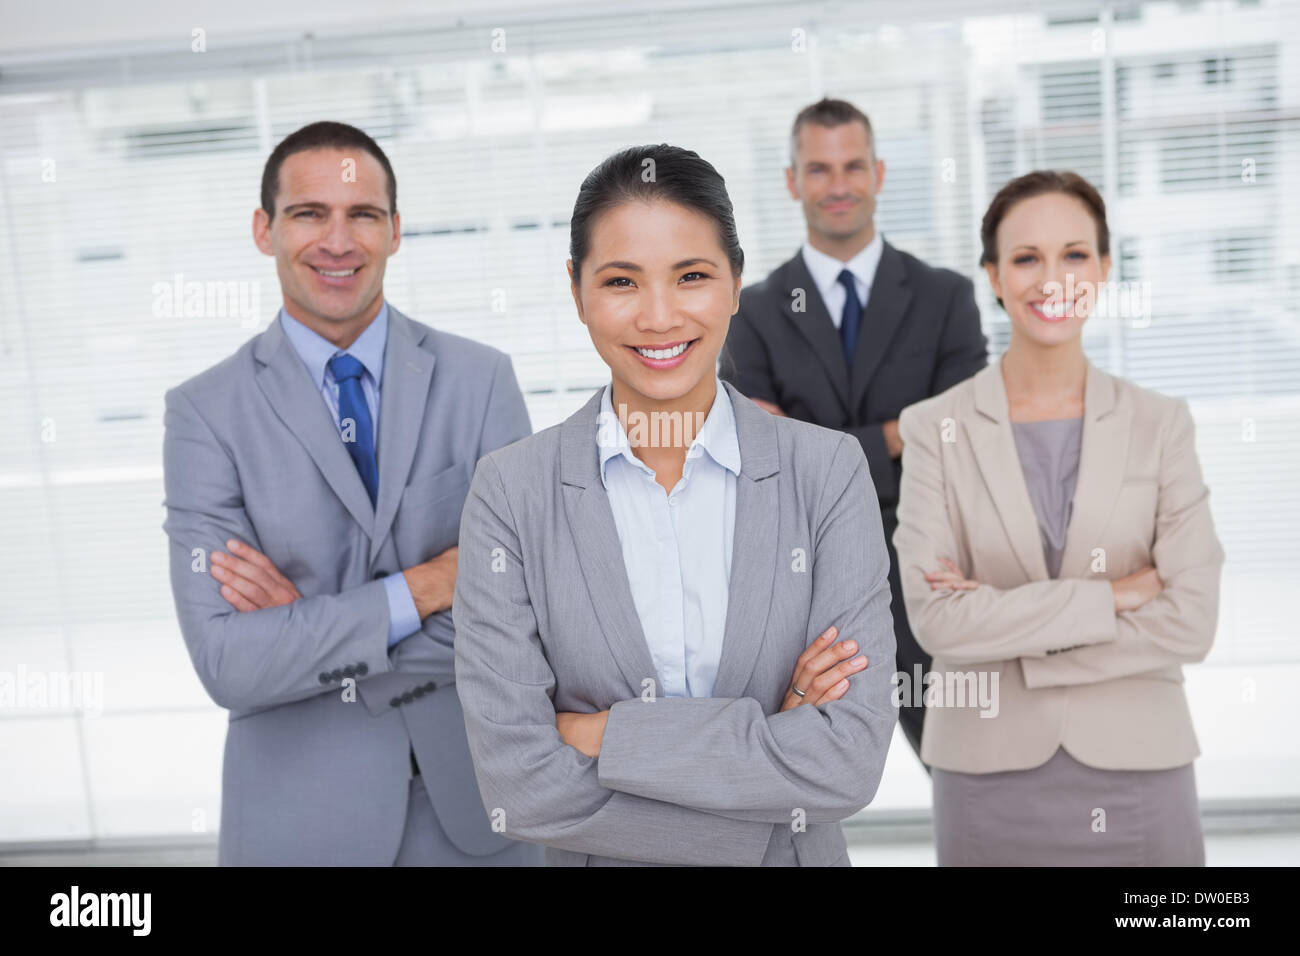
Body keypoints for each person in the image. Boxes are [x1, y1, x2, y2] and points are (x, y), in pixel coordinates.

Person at [452, 144, 898, 866]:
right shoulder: (511, 492)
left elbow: (846, 763)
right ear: (576, 290)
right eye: (621, 281)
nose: (659, 317)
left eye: (691, 276)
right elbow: (521, 788)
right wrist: (767, 760)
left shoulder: (826, 471)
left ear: (735, 283)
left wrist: (603, 736)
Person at [161, 121, 541, 866]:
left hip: (478, 811)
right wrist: (429, 584)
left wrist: (301, 628)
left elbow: (525, 617)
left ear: (395, 232)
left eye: (362, 215)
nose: (338, 241)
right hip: (298, 822)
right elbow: (227, 661)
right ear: (264, 230)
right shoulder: (204, 413)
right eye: (309, 214)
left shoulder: (480, 380)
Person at [892, 169, 1225, 865]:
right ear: (993, 276)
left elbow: (1191, 619)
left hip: (1141, 764)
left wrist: (1012, 631)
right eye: (1025, 258)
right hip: (985, 772)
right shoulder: (935, 428)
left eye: (1075, 254)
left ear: (1104, 268)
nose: (1053, 279)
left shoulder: (1160, 424)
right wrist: (1117, 596)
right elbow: (936, 620)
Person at [720, 98, 987, 766]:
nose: (837, 186)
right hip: (800, 582)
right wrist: (897, 434)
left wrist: (817, 443)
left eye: (852, 166)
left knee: (962, 767)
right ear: (791, 181)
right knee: (793, 775)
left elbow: (962, 437)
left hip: (929, 567)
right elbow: (760, 460)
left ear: (879, 172)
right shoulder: (748, 311)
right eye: (818, 169)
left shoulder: (944, 297)